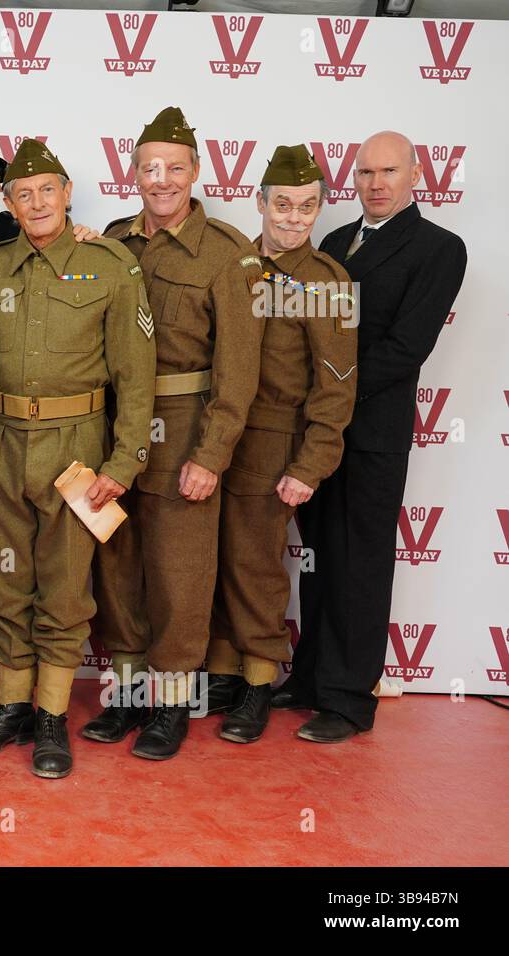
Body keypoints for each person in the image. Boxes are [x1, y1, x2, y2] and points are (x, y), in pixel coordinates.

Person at [0, 140, 156, 778]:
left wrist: (126, 461)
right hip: (0, 443)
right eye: (23, 193)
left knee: (66, 588)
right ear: (7, 202)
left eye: (48, 190)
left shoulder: (111, 265)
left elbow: (136, 373)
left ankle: (50, 717)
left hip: (78, 448)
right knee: (5, 583)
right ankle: (12, 706)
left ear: (68, 194)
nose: (36, 202)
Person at [84, 107, 265, 760]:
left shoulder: (228, 252)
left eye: (175, 168)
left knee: (180, 576)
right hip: (115, 433)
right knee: (119, 566)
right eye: (149, 167)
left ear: (195, 173)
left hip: (185, 430)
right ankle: (130, 696)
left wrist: (211, 454)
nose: (161, 180)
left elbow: (239, 369)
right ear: (133, 173)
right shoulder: (109, 240)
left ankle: (170, 706)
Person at [280, 131, 466, 742]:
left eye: (388, 170)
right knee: (316, 559)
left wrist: (330, 398)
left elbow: (407, 348)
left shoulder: (440, 248)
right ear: (351, 179)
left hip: (371, 434)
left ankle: (348, 701)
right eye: (364, 172)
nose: (376, 182)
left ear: (417, 175)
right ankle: (309, 678)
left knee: (359, 565)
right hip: (318, 434)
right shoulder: (335, 241)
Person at [205, 145, 357, 743]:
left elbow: (337, 385)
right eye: (284, 205)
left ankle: (259, 683)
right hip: (215, 433)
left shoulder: (326, 282)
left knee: (256, 566)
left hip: (272, 442)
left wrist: (311, 465)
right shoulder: (233, 265)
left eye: (308, 208)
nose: (294, 218)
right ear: (260, 202)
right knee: (210, 561)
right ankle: (221, 673)